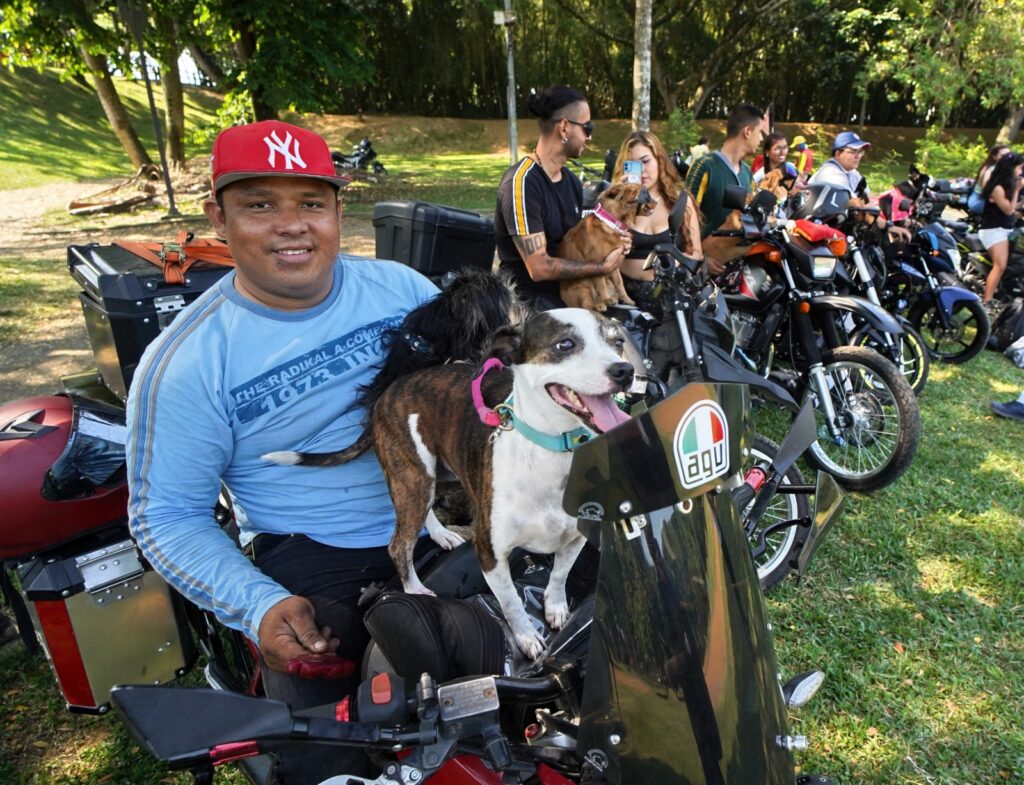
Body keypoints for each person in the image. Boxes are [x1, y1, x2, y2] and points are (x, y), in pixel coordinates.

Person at [125, 120, 439, 784]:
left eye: (311, 203)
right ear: (219, 215)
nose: (291, 225)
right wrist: (258, 603)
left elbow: (478, 392)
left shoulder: (402, 291)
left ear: (337, 211)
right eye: (261, 204)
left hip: (445, 512)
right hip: (321, 549)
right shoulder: (186, 363)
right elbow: (167, 515)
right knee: (330, 749)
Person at [495, 85, 630, 310]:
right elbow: (538, 267)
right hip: (526, 305)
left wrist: (617, 241)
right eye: (587, 128)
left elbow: (576, 245)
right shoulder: (521, 184)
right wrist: (601, 268)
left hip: (568, 296)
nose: (590, 136)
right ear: (565, 128)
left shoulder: (572, 183)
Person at [611, 130, 703, 295]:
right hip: (623, 295)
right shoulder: (618, 204)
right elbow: (599, 253)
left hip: (669, 294)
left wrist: (673, 263)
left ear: (659, 160)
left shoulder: (680, 201)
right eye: (633, 165)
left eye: (645, 161)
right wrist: (617, 199)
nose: (642, 170)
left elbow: (696, 254)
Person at [686, 102, 764, 240]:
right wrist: (703, 258)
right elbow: (686, 218)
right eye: (760, 132)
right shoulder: (704, 166)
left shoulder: (747, 172)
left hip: (738, 257)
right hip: (706, 256)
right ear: (747, 132)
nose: (761, 139)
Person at [979, 151, 1024, 308]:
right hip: (993, 230)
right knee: (1000, 265)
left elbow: (1012, 208)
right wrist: (1017, 190)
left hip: (1004, 228)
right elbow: (1007, 209)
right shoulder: (997, 187)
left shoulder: (1005, 186)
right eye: (1019, 168)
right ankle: (987, 301)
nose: (1020, 172)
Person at [809, 130, 873, 197]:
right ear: (838, 154)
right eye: (853, 152)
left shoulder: (853, 173)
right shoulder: (830, 173)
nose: (858, 156)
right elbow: (853, 202)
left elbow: (868, 198)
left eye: (860, 152)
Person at [968, 144, 1011, 215]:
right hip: (979, 200)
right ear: (994, 157)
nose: (1007, 158)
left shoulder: (1005, 169)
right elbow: (987, 190)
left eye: (1009, 156)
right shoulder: (990, 169)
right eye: (1003, 156)